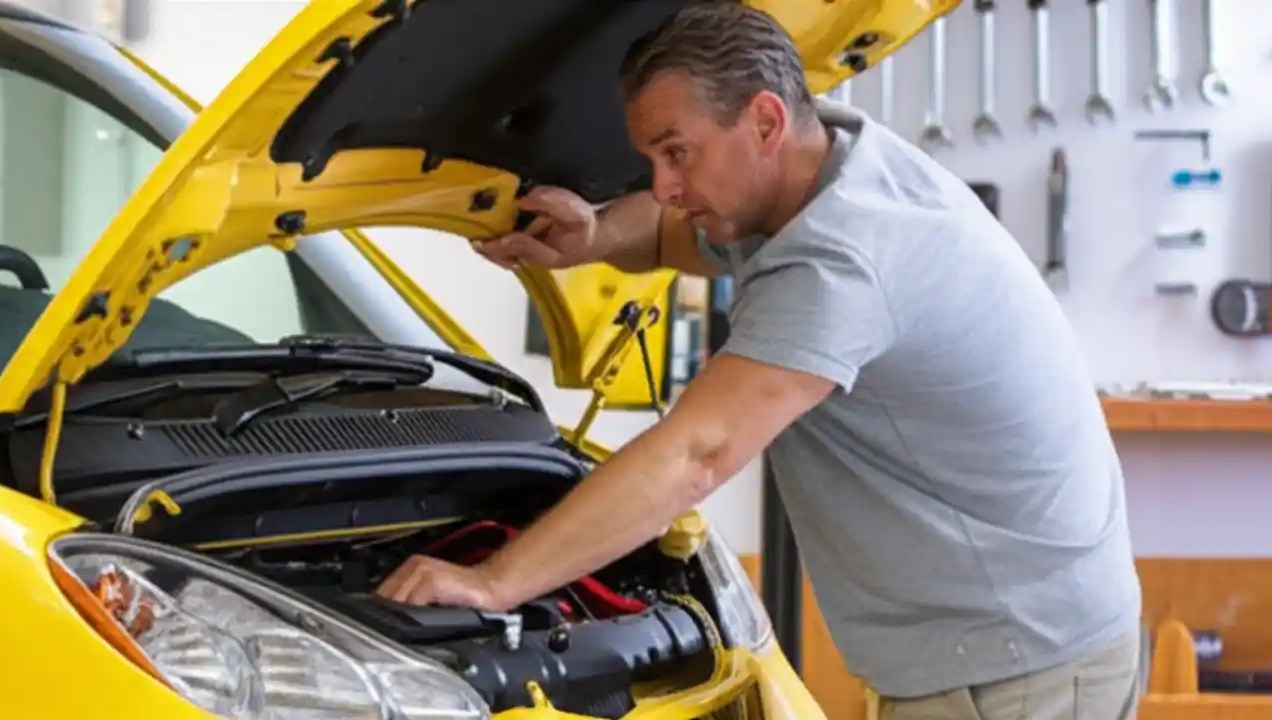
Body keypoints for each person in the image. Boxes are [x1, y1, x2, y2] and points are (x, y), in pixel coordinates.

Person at [377, 3, 1144, 718]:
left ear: (766, 120)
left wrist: (495, 581)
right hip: (1010, 632)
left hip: (1019, 666)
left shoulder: (843, 261)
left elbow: (696, 455)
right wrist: (597, 235)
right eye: (653, 157)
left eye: (677, 153)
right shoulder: (825, 161)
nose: (665, 187)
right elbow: (675, 235)